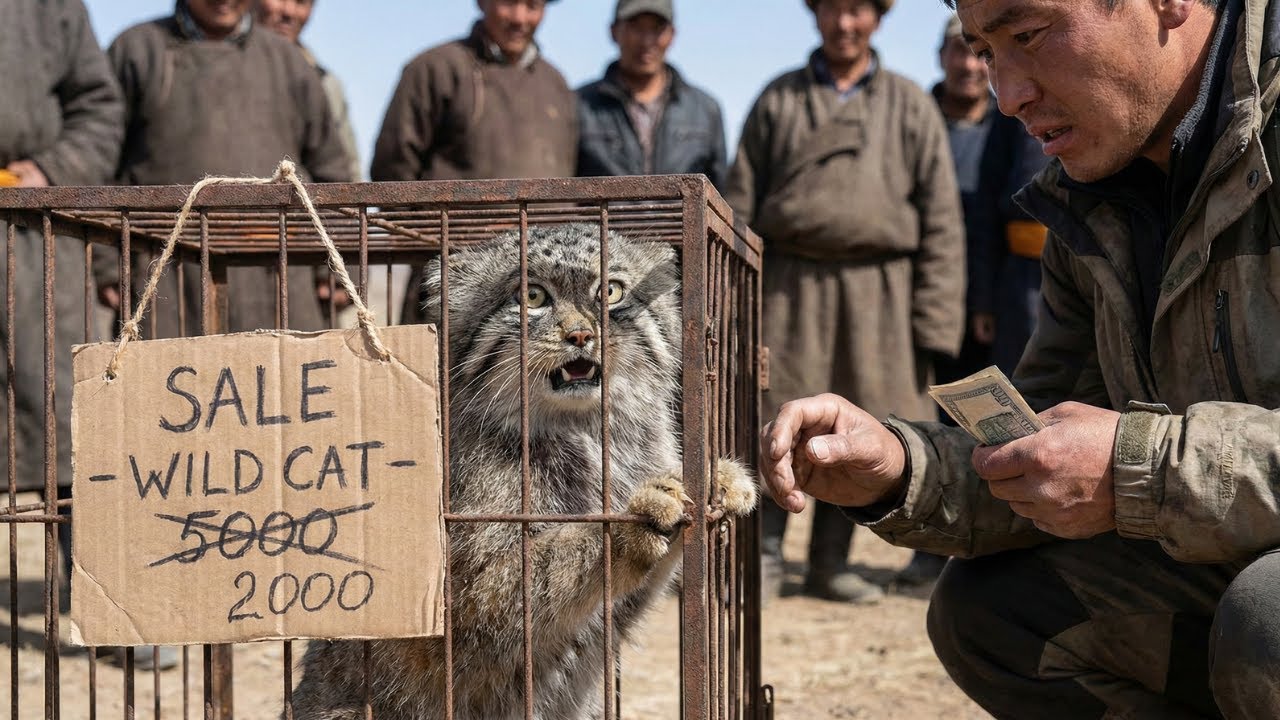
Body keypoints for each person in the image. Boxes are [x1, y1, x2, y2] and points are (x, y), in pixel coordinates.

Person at [761, 0, 1280, 715]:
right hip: (1223, 555)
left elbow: (1130, 465)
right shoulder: (1093, 195)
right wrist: (898, 466)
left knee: (1269, 620)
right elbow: (1037, 433)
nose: (1008, 95)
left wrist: (1140, 467)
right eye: (985, 52)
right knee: (993, 612)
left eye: (1029, 36)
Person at [726, 0, 965, 604]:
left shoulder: (909, 103)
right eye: (832, 10)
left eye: (857, 10)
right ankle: (767, 554)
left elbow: (941, 217)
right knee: (774, 411)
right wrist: (732, 300)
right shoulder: (778, 99)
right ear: (815, 16)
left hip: (881, 293)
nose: (844, 24)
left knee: (862, 417)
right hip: (789, 285)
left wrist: (934, 320)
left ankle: (832, 562)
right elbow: (738, 211)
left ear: (878, 19)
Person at [898, 14, 1051, 586]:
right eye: (968, 49)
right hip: (1001, 289)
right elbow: (988, 213)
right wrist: (983, 298)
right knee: (983, 407)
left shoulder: (1020, 108)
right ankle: (949, 534)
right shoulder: (982, 121)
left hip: (1056, 273)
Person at [106, 0, 355, 338]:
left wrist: (339, 269)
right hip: (167, 279)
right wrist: (106, 268)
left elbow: (332, 171)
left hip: (282, 277)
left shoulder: (288, 61)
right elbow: (103, 163)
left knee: (280, 381)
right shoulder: (137, 49)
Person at [0, 0, 123, 626]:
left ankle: (102, 609)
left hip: (35, 240)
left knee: (71, 431)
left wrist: (50, 171)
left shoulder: (51, 7)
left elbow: (99, 108)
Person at [371, 0, 577, 325]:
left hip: (546, 291)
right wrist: (432, 248)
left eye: (533, 6)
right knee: (438, 373)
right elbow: (392, 172)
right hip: (454, 280)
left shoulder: (556, 85)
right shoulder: (435, 69)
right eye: (509, 3)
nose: (520, 18)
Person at [576, 0, 727, 188]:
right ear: (614, 31)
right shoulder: (579, 105)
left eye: (657, 29)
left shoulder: (705, 111)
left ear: (672, 35)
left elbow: (721, 203)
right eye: (635, 27)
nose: (646, 41)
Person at [255, 0, 361, 182]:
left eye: (301, 2)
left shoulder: (325, 84)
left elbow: (346, 171)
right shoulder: (209, 57)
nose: (288, 11)